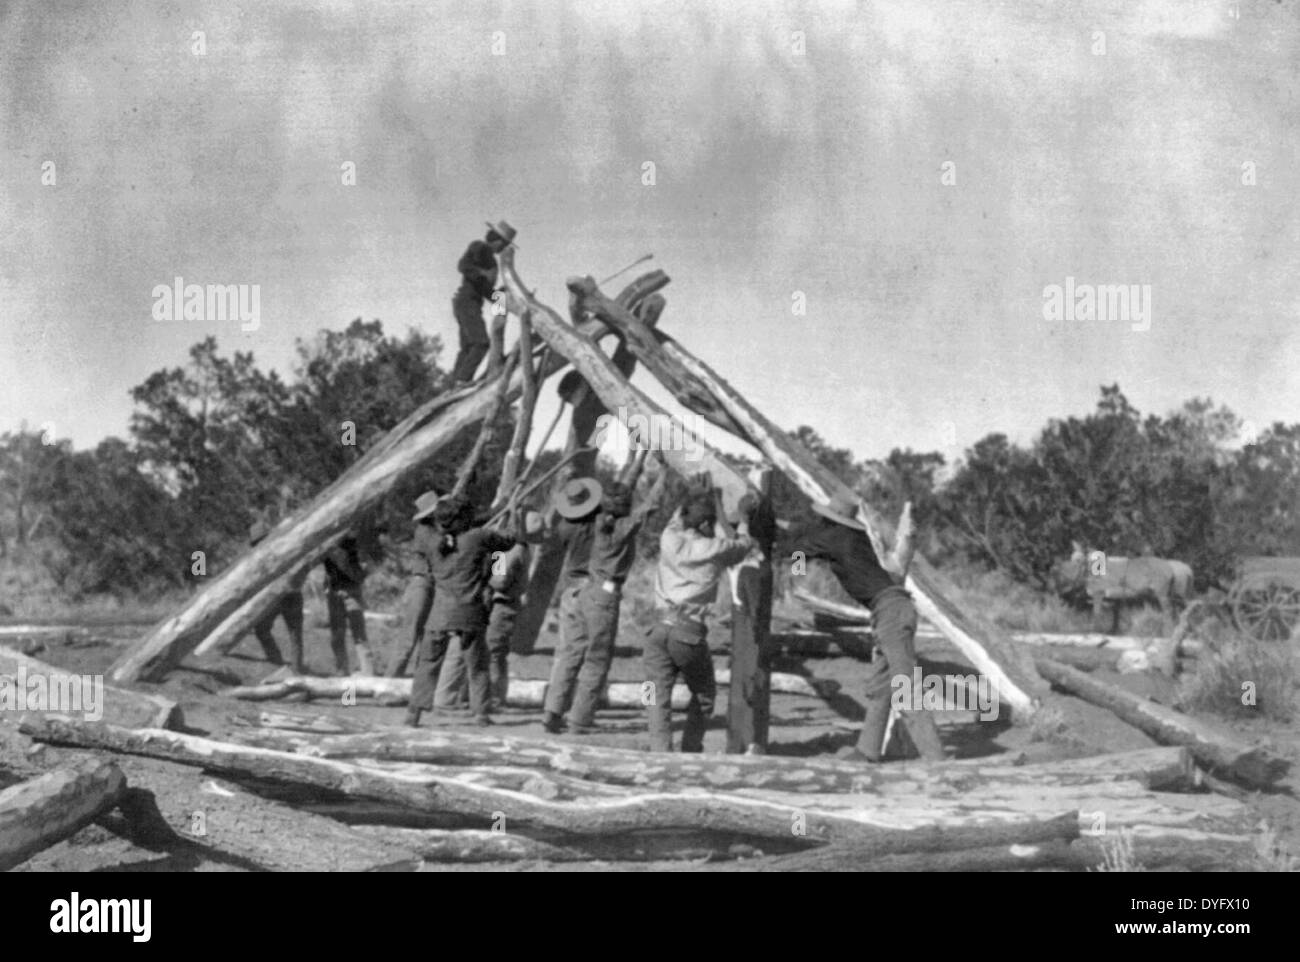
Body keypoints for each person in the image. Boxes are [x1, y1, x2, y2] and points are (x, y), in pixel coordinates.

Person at [789, 491, 944, 762]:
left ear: (829, 521)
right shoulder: (858, 538)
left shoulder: (832, 537)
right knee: (882, 686)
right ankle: (867, 751)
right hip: (892, 610)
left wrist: (797, 572)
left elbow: (799, 551)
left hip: (890, 612)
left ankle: (935, 758)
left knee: (904, 687)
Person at [549, 464, 669, 734]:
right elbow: (650, 505)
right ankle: (579, 720)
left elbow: (623, 494)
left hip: (583, 592)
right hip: (604, 594)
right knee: (597, 659)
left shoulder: (589, 522)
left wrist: (639, 458)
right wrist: (663, 474)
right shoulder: (622, 528)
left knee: (570, 653)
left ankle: (552, 710)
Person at [643, 479, 756, 752]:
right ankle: (691, 748)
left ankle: (658, 749)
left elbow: (677, 519)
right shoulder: (714, 549)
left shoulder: (668, 539)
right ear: (706, 525)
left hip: (656, 629)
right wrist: (743, 517)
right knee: (705, 694)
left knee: (652, 693)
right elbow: (743, 544)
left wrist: (695, 494)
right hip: (688, 632)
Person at [405, 496, 522, 728]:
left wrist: (495, 513)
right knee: (477, 665)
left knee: (427, 664)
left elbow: (472, 532)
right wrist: (513, 514)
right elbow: (509, 540)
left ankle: (414, 712)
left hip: (439, 613)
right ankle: (481, 713)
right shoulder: (479, 538)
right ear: (463, 519)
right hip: (470, 612)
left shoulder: (430, 540)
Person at [539, 476, 603, 734]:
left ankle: (553, 710)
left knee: (567, 652)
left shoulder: (564, 529)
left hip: (572, 589)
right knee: (595, 654)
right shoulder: (603, 526)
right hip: (595, 588)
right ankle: (581, 715)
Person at [451, 221, 516, 383]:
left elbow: (486, 291)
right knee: (481, 343)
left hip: (467, 303)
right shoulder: (481, 247)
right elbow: (463, 265)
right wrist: (482, 275)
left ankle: (453, 385)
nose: (503, 249)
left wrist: (501, 300)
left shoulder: (491, 262)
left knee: (468, 347)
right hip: (467, 302)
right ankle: (461, 381)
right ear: (499, 241)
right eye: (504, 244)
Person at [247, 520, 307, 674]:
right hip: (283, 596)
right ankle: (283, 665)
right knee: (269, 630)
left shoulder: (279, 550)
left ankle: (290, 668)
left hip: (285, 596)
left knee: (292, 634)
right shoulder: (281, 548)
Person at [323, 531, 376, 676]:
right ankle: (358, 671)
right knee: (351, 635)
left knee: (350, 635)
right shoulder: (346, 548)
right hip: (343, 594)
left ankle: (355, 671)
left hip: (345, 594)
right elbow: (367, 569)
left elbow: (367, 568)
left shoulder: (333, 548)